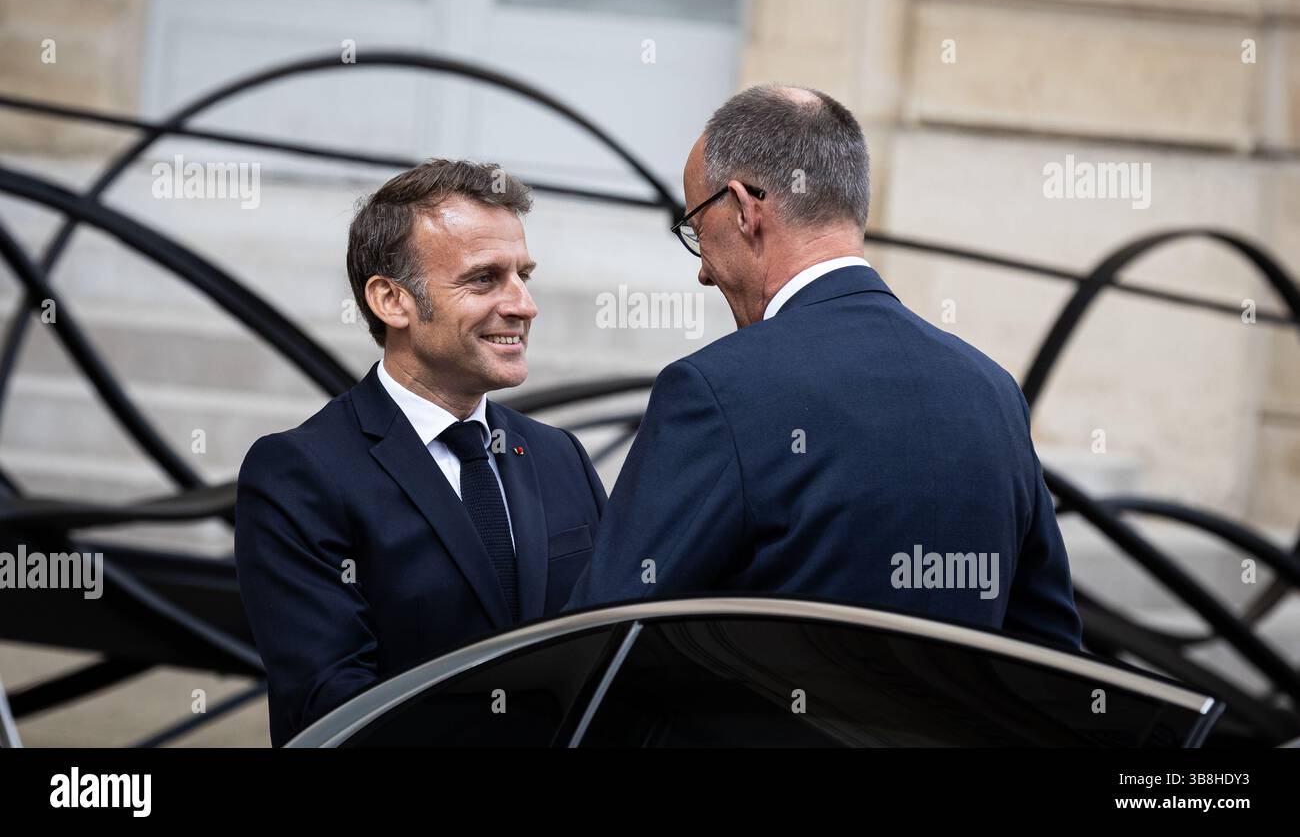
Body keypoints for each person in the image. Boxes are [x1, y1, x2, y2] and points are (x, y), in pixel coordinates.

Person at [566, 85, 1082, 650]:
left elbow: (603, 633)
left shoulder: (716, 389)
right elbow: (1050, 654)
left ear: (743, 209)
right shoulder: (991, 392)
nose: (703, 274)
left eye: (697, 230)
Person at [235, 160, 606, 745]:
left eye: (523, 275)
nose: (523, 304)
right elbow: (332, 710)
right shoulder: (300, 474)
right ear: (391, 300)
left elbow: (610, 658)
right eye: (484, 279)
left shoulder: (560, 456)